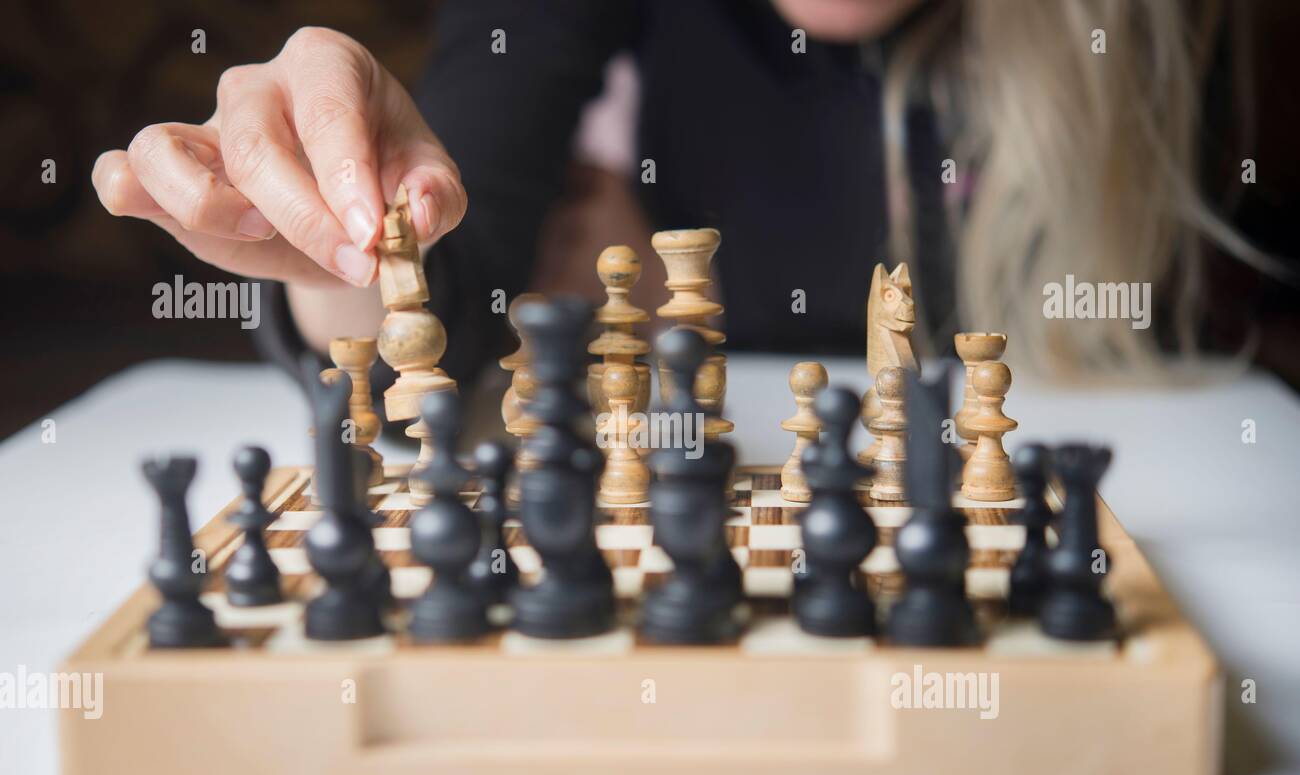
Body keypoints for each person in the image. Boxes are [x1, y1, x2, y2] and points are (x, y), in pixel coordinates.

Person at [90, 0, 1288, 392]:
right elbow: (455, 293)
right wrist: (343, 244)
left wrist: (676, 290)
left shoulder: (1141, 35)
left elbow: (1181, 351)